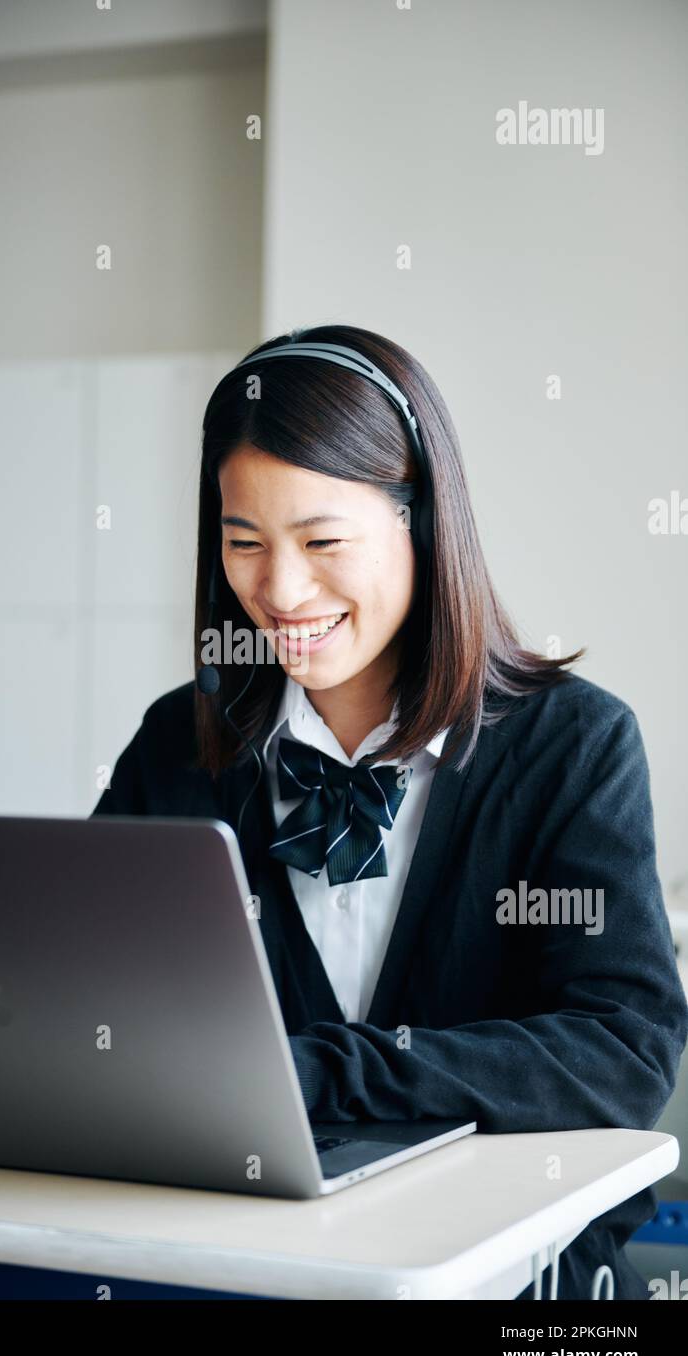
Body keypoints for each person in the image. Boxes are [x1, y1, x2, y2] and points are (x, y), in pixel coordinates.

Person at [91, 324, 688, 1300]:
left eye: (323, 541)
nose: (280, 591)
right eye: (244, 541)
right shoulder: (181, 745)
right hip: (248, 1270)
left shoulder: (572, 747)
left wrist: (321, 1074)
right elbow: (83, 1001)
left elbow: (622, 1049)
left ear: (423, 524)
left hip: (523, 1286)